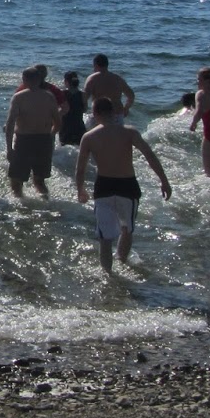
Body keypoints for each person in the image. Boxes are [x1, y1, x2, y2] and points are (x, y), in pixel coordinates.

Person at [75, 98, 173, 273]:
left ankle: (108, 274)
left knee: (105, 236)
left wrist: (80, 190)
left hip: (103, 185)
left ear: (95, 114)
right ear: (113, 112)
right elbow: (150, 157)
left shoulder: (89, 137)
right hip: (127, 185)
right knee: (127, 229)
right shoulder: (130, 132)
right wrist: (164, 181)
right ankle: (122, 260)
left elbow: (80, 168)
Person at [4, 66, 61, 198]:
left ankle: (21, 207)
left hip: (24, 141)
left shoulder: (19, 97)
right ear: (40, 79)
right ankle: (47, 204)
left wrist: (9, 148)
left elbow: (10, 123)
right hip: (44, 140)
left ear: (24, 80)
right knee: (39, 181)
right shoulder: (49, 96)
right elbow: (58, 123)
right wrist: (50, 136)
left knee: (16, 181)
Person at [84, 54, 135, 122]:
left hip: (99, 116)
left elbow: (84, 99)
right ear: (107, 64)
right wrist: (126, 108)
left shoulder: (92, 79)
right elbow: (131, 95)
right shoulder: (117, 78)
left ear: (95, 65)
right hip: (117, 115)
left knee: (88, 130)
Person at [59, 71, 87, 146]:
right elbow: (85, 109)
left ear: (66, 81)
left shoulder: (62, 93)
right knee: (80, 147)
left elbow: (59, 110)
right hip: (79, 125)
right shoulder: (83, 94)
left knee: (64, 148)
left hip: (65, 126)